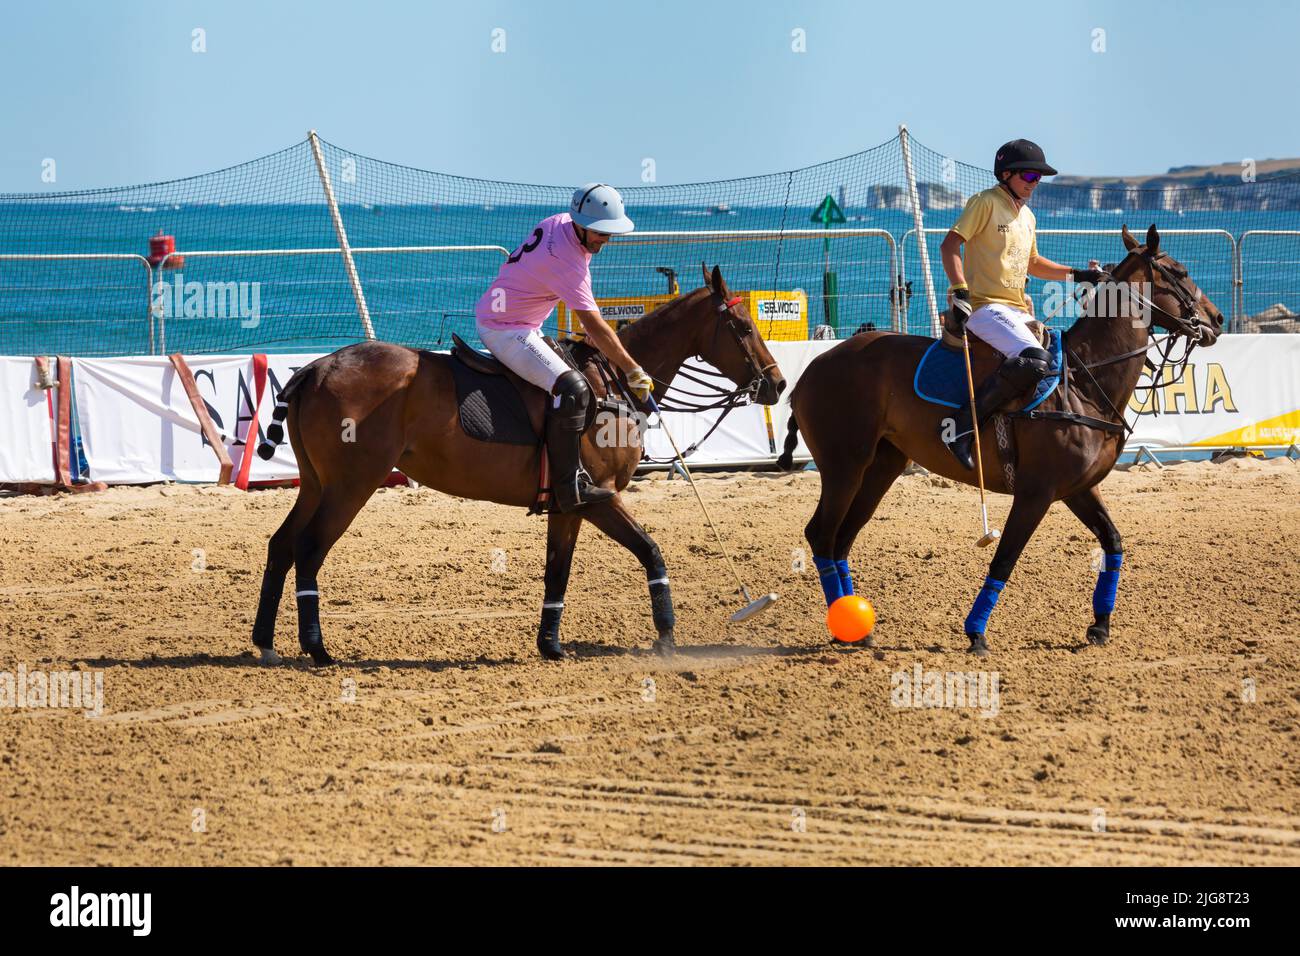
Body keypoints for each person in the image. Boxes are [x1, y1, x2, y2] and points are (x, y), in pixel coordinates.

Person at [474, 184, 656, 511]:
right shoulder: (566, 259)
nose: (607, 239)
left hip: (520, 321)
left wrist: (590, 325)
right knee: (574, 390)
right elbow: (594, 321)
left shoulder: (561, 222)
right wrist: (633, 370)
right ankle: (568, 483)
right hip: (506, 330)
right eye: (602, 232)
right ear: (583, 226)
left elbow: (577, 299)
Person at [938, 139, 1106, 469]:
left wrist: (1079, 275)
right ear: (1007, 174)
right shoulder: (984, 202)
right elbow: (949, 246)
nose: (1035, 183)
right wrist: (959, 290)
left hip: (1016, 310)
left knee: (1057, 357)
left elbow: (1034, 264)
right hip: (984, 307)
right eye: (1029, 176)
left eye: (1039, 178)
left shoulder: (1027, 216)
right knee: (1034, 359)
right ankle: (960, 429)